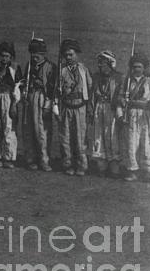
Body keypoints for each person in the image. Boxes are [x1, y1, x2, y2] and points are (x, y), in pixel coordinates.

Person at [116, 53, 150, 183]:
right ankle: (132, 170)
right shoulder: (127, 80)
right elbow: (120, 96)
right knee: (131, 142)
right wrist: (123, 100)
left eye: (139, 66)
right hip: (132, 114)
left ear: (144, 67)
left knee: (147, 143)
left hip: (146, 114)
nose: (137, 69)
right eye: (134, 67)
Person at [55, 38, 93, 176]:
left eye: (71, 54)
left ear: (77, 54)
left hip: (80, 108)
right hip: (66, 108)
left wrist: (89, 108)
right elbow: (56, 93)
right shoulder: (62, 71)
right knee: (65, 137)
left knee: (80, 137)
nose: (69, 57)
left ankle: (81, 165)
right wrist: (56, 108)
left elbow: (90, 89)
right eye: (66, 55)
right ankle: (67, 164)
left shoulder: (84, 70)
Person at [22, 37, 56, 172]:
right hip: (29, 98)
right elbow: (25, 81)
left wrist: (48, 103)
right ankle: (31, 159)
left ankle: (44, 160)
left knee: (42, 131)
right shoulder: (29, 65)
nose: (35, 56)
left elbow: (52, 87)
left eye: (38, 53)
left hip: (42, 99)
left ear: (44, 54)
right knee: (28, 129)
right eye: (33, 53)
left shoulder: (50, 67)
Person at [89, 50, 123, 178]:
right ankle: (101, 165)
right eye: (99, 63)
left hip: (112, 109)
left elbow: (122, 95)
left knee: (112, 135)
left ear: (110, 64)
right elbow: (92, 95)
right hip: (99, 108)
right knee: (99, 135)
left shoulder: (118, 77)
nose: (100, 65)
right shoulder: (96, 77)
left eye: (103, 63)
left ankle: (114, 166)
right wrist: (91, 111)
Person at [0, 42, 21, 169]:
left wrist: (14, 103)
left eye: (7, 56)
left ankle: (8, 157)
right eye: (2, 56)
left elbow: (18, 87)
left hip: (9, 99)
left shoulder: (15, 68)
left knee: (9, 128)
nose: (4, 58)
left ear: (11, 56)